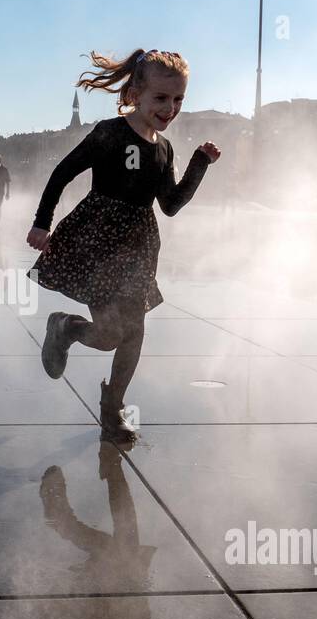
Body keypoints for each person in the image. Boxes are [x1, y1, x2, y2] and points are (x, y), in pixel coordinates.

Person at [27, 48, 220, 444]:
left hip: (138, 249)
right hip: (98, 243)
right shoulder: (109, 133)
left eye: (178, 99)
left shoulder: (163, 149)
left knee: (135, 332)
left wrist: (199, 164)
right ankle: (66, 327)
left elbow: (169, 205)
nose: (170, 108)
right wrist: (42, 223)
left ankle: (112, 407)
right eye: (161, 98)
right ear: (136, 93)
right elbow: (63, 172)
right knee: (110, 334)